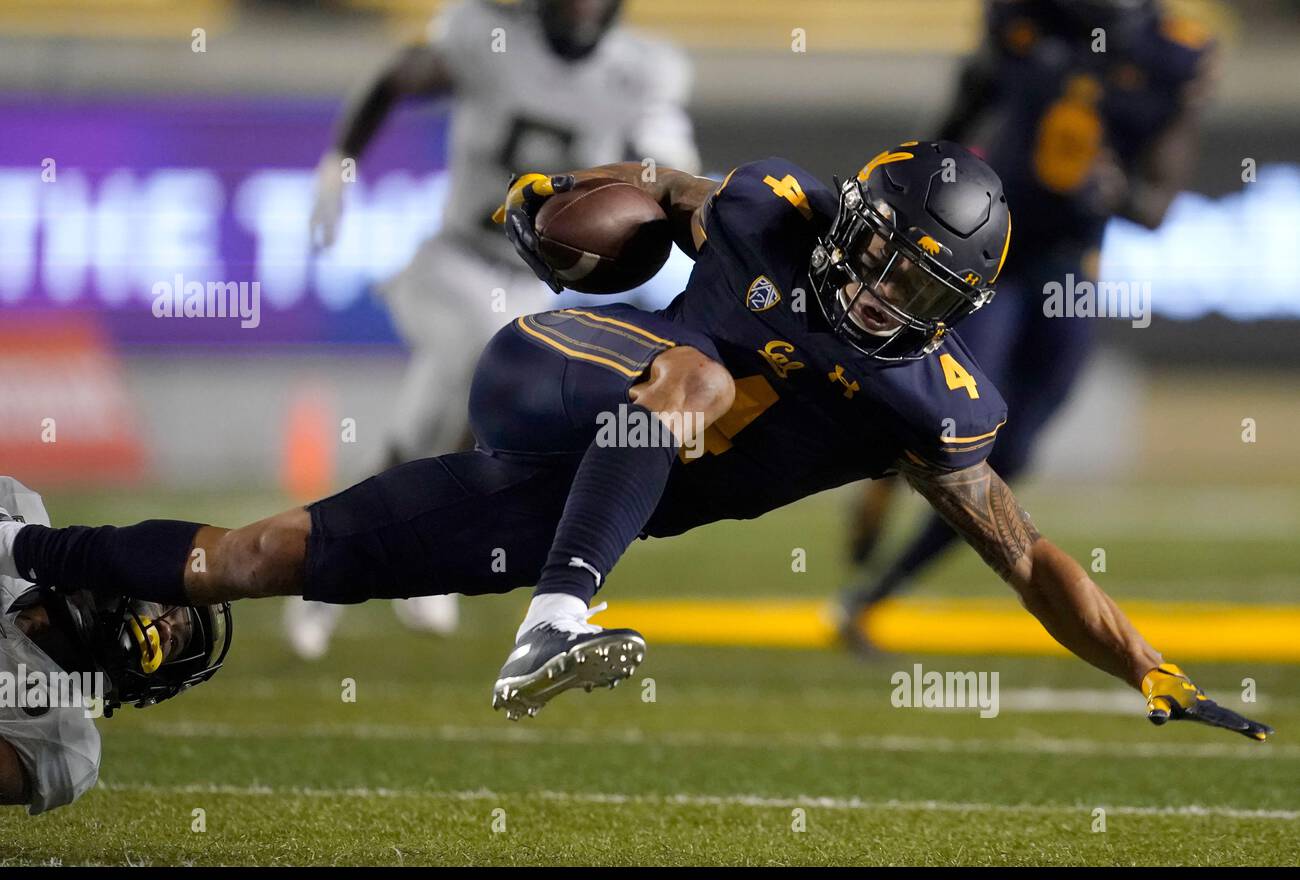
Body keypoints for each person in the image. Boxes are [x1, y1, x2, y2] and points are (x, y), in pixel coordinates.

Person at [0, 142, 1268, 743]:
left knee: (253, 558)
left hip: (554, 496)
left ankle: (30, 546)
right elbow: (660, 185)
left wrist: (1145, 664)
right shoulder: (774, 209)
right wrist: (552, 204)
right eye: (876, 253)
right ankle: (555, 622)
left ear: (950, 307)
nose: (882, 290)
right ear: (853, 219)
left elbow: (1027, 554)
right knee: (694, 377)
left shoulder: (929, 402)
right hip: (554, 376)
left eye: (915, 286)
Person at [291, 0, 700, 656]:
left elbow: (666, 158)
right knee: (467, 361)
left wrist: (664, 165)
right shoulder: (488, 40)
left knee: (446, 432)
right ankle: (366, 561)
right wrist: (340, 161)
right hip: (453, 260)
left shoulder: (639, 73)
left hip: (533, 280)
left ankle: (347, 554)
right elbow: (398, 75)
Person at [838, 0, 1215, 648]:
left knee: (1014, 448)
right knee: (952, 415)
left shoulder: (1173, 54)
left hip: (1068, 267)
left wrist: (1119, 192)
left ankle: (876, 595)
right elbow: (954, 125)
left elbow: (1156, 206)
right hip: (986, 254)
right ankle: (887, 474)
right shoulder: (1026, 19)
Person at [0, 478, 233, 814]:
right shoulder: (18, 508)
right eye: (170, 607)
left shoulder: (65, 744)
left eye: (177, 643)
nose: (166, 631)